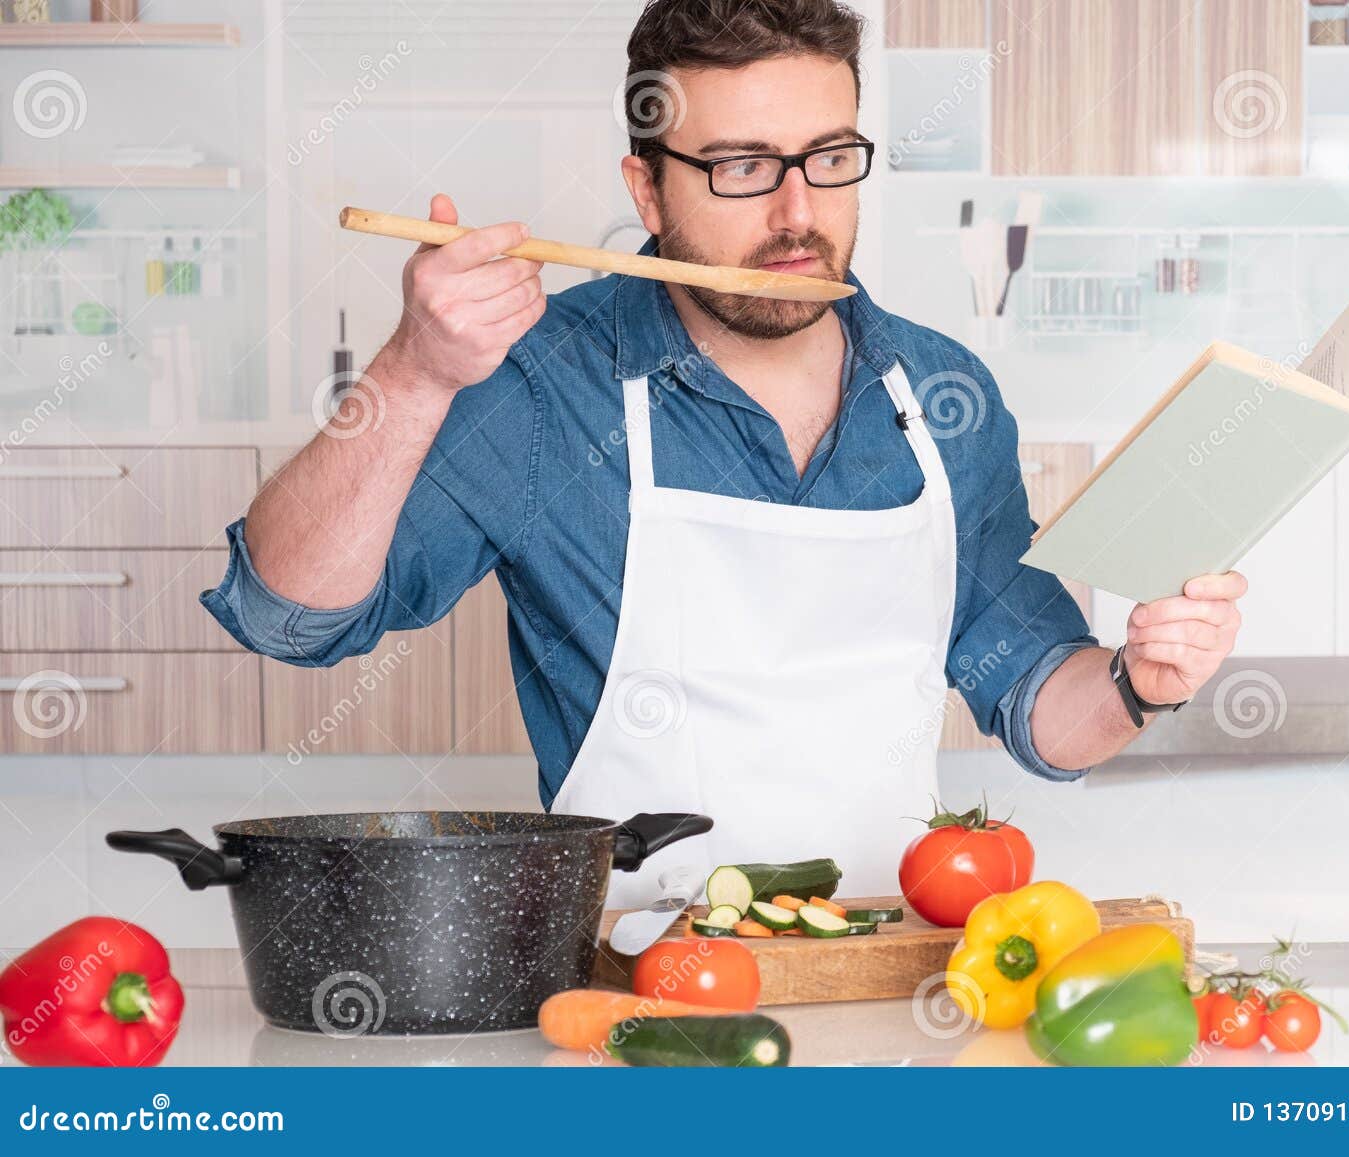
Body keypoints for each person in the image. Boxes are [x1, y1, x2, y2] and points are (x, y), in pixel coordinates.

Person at [203, 0, 1246, 906]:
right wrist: (414, 373)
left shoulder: (940, 393)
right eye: (744, 167)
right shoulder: (542, 382)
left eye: (830, 159)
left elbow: (1035, 703)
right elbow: (288, 619)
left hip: (886, 966)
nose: (800, 216)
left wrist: (1140, 681)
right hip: (633, 976)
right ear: (648, 191)